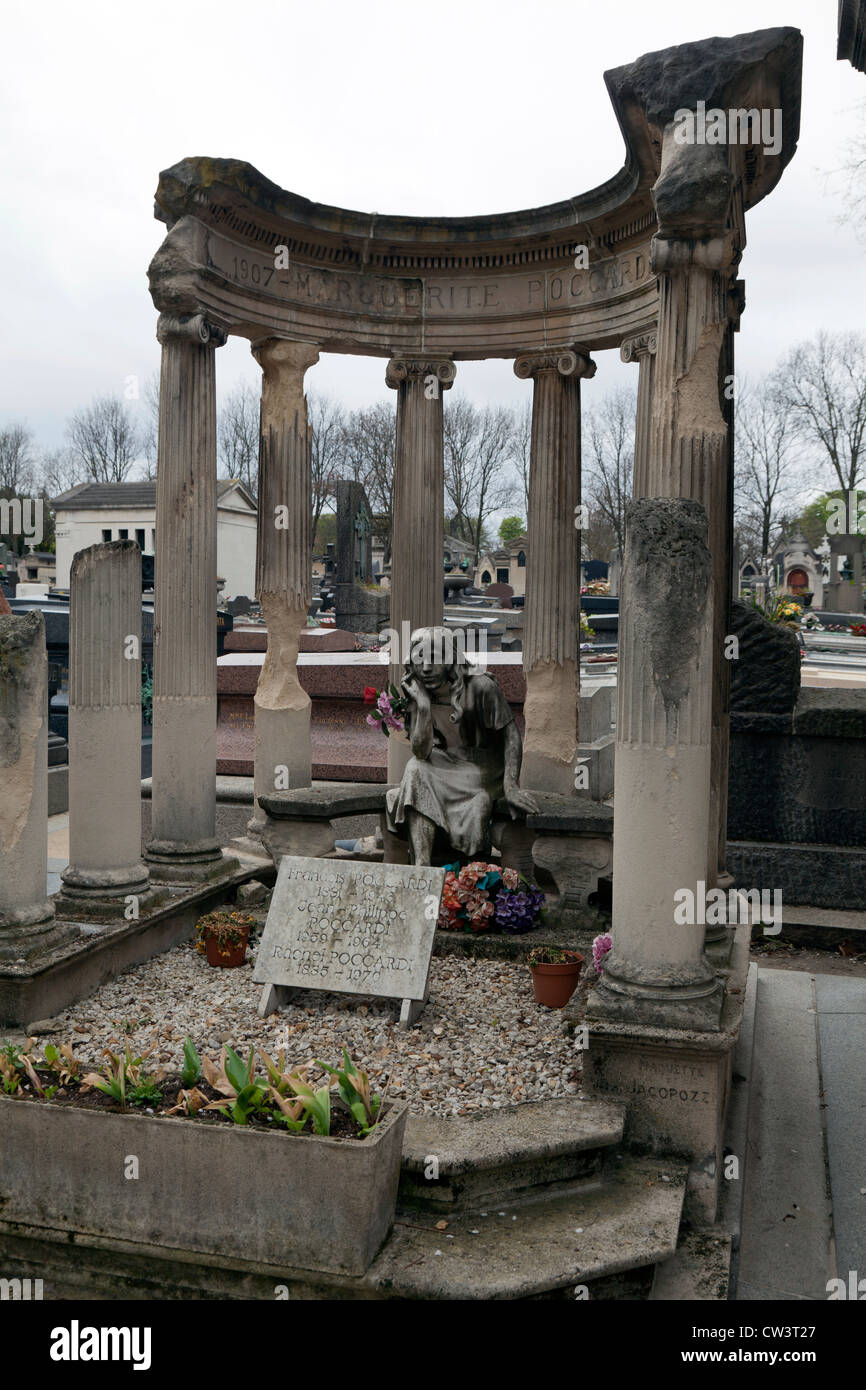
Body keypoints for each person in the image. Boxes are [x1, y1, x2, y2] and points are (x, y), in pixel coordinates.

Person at [386, 626, 537, 865]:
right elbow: (421, 752)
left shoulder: (480, 686)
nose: (426, 668)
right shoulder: (418, 692)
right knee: (415, 768)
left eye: (435, 658)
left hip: (482, 768)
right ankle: (421, 868)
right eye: (420, 660)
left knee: (474, 803)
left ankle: (466, 872)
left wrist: (511, 786)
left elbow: (511, 735)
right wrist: (423, 706)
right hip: (443, 763)